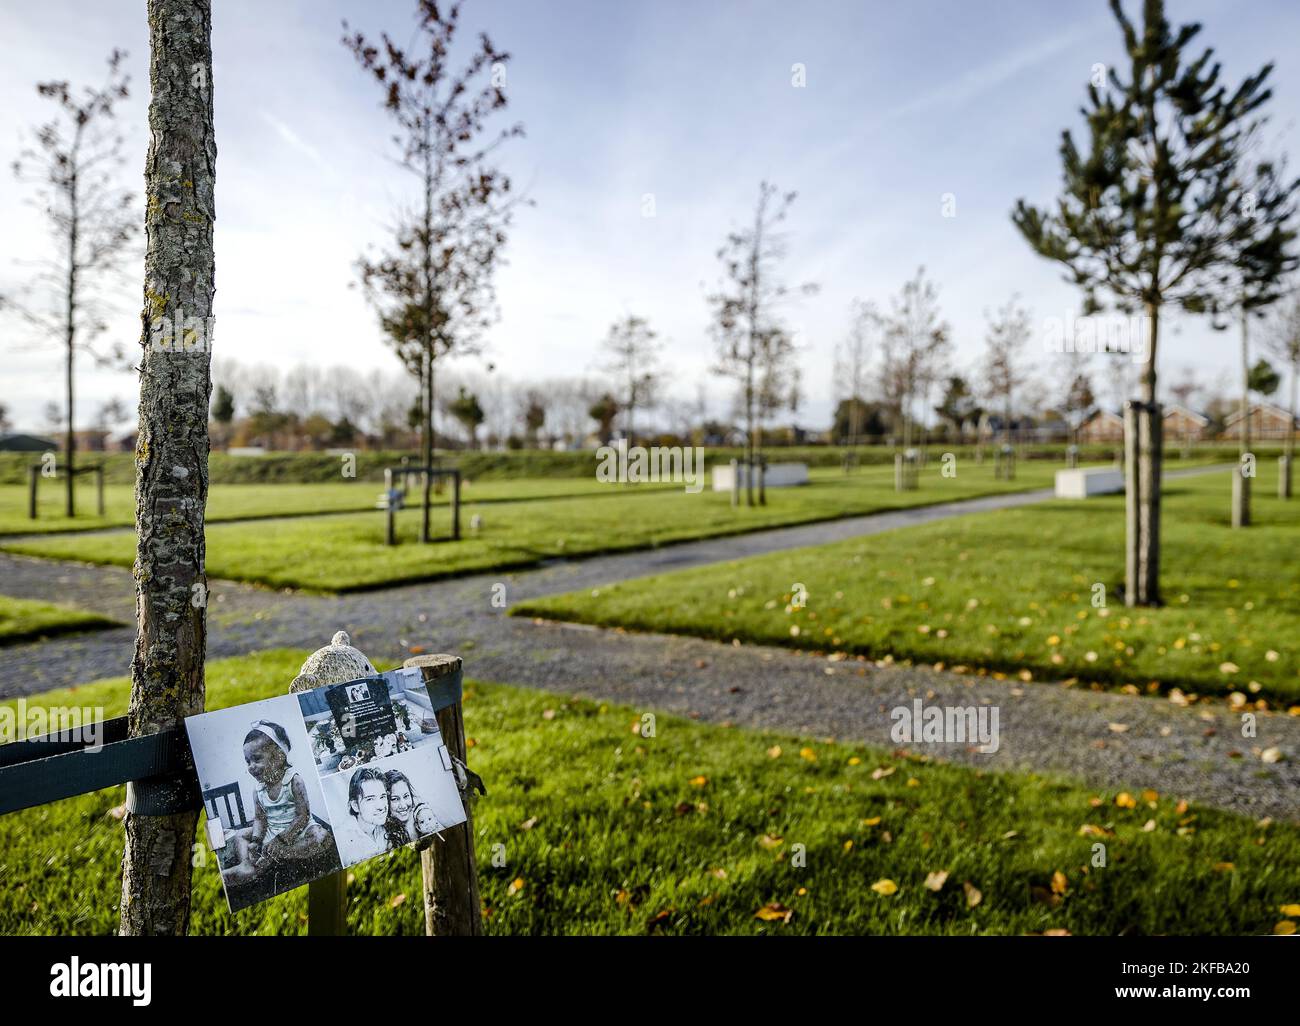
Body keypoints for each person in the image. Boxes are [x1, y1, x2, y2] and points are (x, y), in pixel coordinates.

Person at [226, 720, 334, 884]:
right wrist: (255, 840)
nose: (251, 766)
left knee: (321, 836)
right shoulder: (258, 789)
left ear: (279, 756)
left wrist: (280, 841)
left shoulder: (294, 781)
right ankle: (246, 863)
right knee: (240, 834)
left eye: (256, 759)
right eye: (247, 761)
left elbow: (302, 816)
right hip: (272, 830)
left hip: (299, 830)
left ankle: (283, 853)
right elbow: (259, 818)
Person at [384, 769, 420, 843]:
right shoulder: (384, 836)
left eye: (406, 796)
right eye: (395, 799)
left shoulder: (426, 813)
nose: (403, 805)